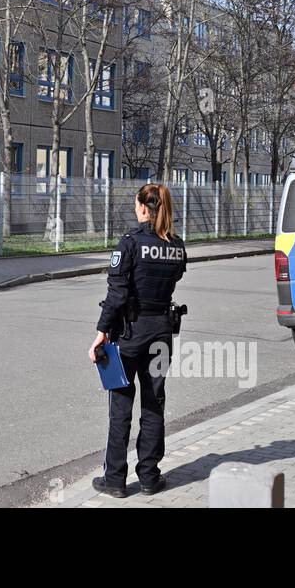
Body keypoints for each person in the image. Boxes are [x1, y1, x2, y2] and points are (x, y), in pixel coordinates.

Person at [88, 183, 187, 498]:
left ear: (144, 208)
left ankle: (115, 480)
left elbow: (117, 295)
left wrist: (101, 333)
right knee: (154, 403)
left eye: (136, 205)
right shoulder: (177, 246)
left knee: (121, 406)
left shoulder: (129, 244)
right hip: (161, 334)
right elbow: (174, 278)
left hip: (129, 334)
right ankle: (149, 477)